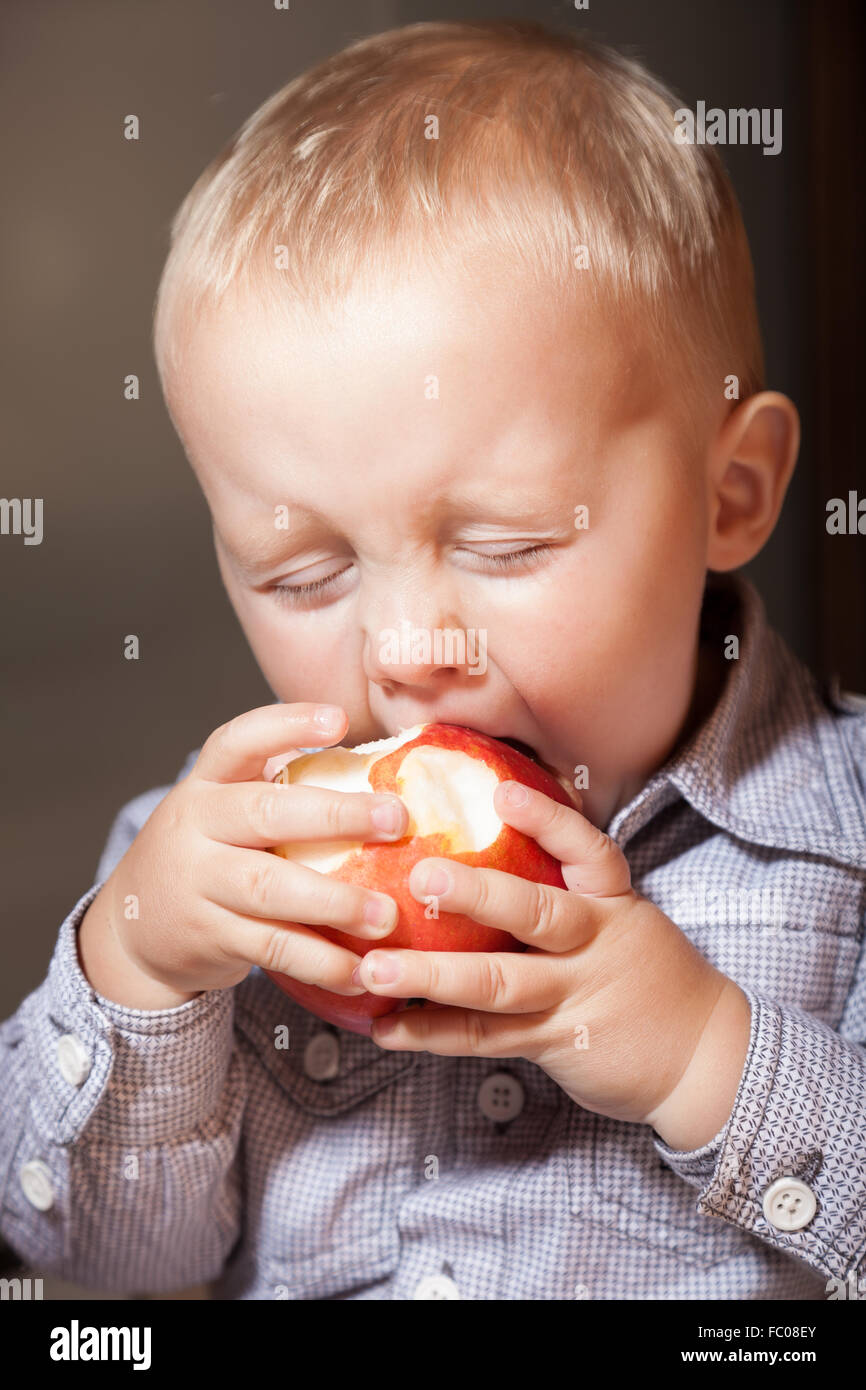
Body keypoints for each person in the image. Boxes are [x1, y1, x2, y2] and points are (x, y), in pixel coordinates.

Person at [3, 20, 864, 1301]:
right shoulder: (214, 867)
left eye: (510, 544)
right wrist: (139, 975)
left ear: (727, 493)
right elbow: (93, 1267)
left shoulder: (842, 844)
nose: (406, 652)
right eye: (304, 574)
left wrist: (703, 1061)